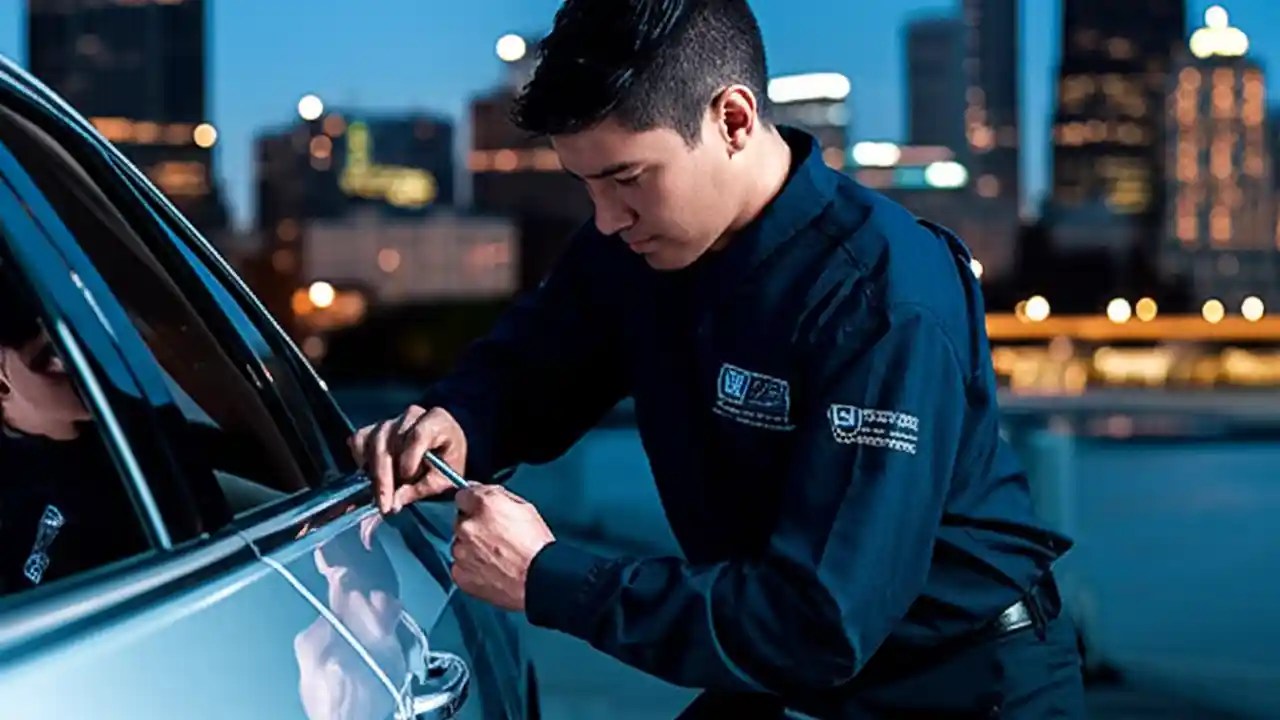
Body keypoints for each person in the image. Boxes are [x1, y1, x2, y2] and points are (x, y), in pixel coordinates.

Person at [351, 0, 1086, 716]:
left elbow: (818, 620)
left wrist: (548, 578)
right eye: (587, 186)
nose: (606, 219)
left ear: (732, 120)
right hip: (792, 669)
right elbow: (532, 365)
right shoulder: (631, 249)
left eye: (627, 179)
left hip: (957, 683)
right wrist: (458, 422)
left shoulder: (879, 300)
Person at [0, 274, 145, 595]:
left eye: (74, 341)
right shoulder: (15, 495)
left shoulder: (140, 438)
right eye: (48, 355)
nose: (74, 361)